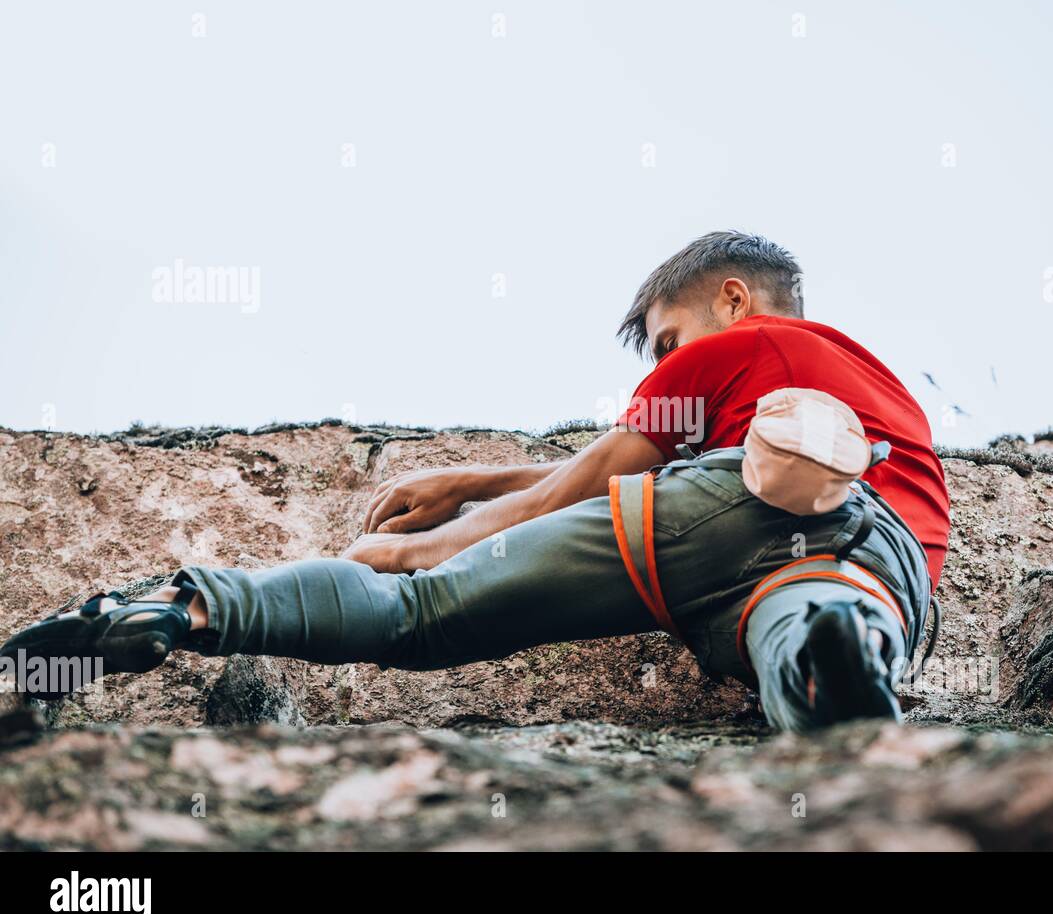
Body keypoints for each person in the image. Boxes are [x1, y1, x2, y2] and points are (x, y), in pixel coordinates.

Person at [1, 232, 950, 730]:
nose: (662, 362)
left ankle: (176, 611)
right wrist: (470, 480)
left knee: (412, 610)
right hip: (875, 564)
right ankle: (836, 673)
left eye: (668, 340)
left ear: (731, 301)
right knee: (807, 634)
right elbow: (636, 464)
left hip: (713, 514)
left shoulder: (744, 342)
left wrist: (417, 546)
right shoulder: (864, 387)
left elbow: (594, 487)